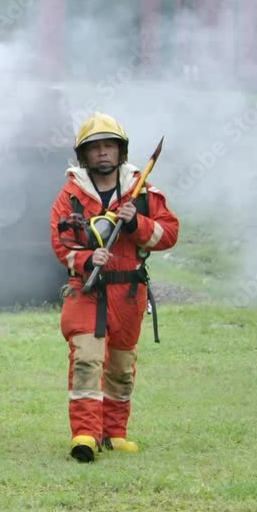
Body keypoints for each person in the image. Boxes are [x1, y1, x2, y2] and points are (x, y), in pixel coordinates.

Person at [49, 112, 179, 462]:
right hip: (87, 292)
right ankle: (85, 435)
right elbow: (60, 244)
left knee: (121, 367)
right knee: (87, 361)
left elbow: (169, 233)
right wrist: (89, 259)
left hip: (129, 295)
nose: (103, 153)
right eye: (95, 147)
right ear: (84, 155)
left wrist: (136, 222)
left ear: (121, 151)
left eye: (109, 146)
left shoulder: (143, 190)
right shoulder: (71, 195)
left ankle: (115, 433)